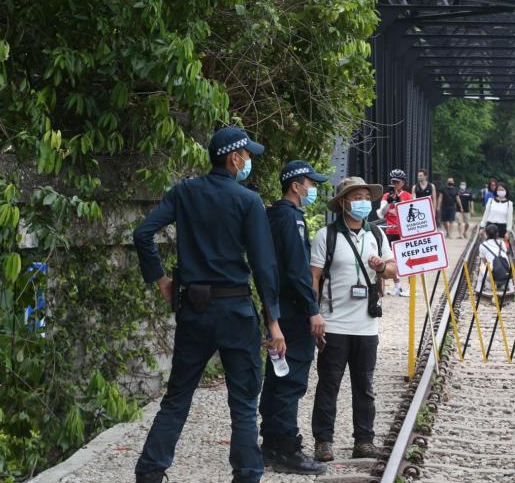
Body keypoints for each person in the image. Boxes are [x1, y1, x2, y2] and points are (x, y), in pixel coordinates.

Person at [132, 127, 284, 483]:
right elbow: (264, 266)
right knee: (244, 404)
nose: (248, 162)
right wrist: (273, 320)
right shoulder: (248, 202)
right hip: (236, 312)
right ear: (234, 158)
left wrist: (162, 281)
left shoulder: (185, 192)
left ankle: (150, 474)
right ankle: (246, 476)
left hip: (194, 311)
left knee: (177, 398)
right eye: (247, 156)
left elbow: (142, 233)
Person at [310, 177, 397, 462]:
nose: (362, 202)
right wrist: (315, 313)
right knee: (328, 385)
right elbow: (313, 279)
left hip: (366, 324)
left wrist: (382, 265)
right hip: (333, 323)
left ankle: (364, 440)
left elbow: (393, 271)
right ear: (343, 202)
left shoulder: (377, 234)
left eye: (365, 196)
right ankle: (323, 441)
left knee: (365, 386)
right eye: (356, 197)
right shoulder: (327, 235)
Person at [259, 161, 329, 475]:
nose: (312, 189)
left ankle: (271, 443)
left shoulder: (272, 216)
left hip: (278, 310)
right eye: (310, 183)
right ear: (296, 185)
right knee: (291, 380)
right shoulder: (291, 219)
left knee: (277, 376)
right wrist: (313, 310)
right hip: (293, 312)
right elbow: (298, 271)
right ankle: (286, 449)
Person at [377, 169, 412, 296]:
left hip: (404, 232)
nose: (395, 184)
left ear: (402, 182)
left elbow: (409, 213)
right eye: (392, 181)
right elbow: (381, 212)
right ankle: (397, 286)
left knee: (407, 258)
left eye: (397, 182)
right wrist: (389, 203)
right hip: (391, 230)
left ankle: (410, 287)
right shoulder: (386, 196)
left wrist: (396, 208)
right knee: (391, 260)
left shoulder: (408, 196)